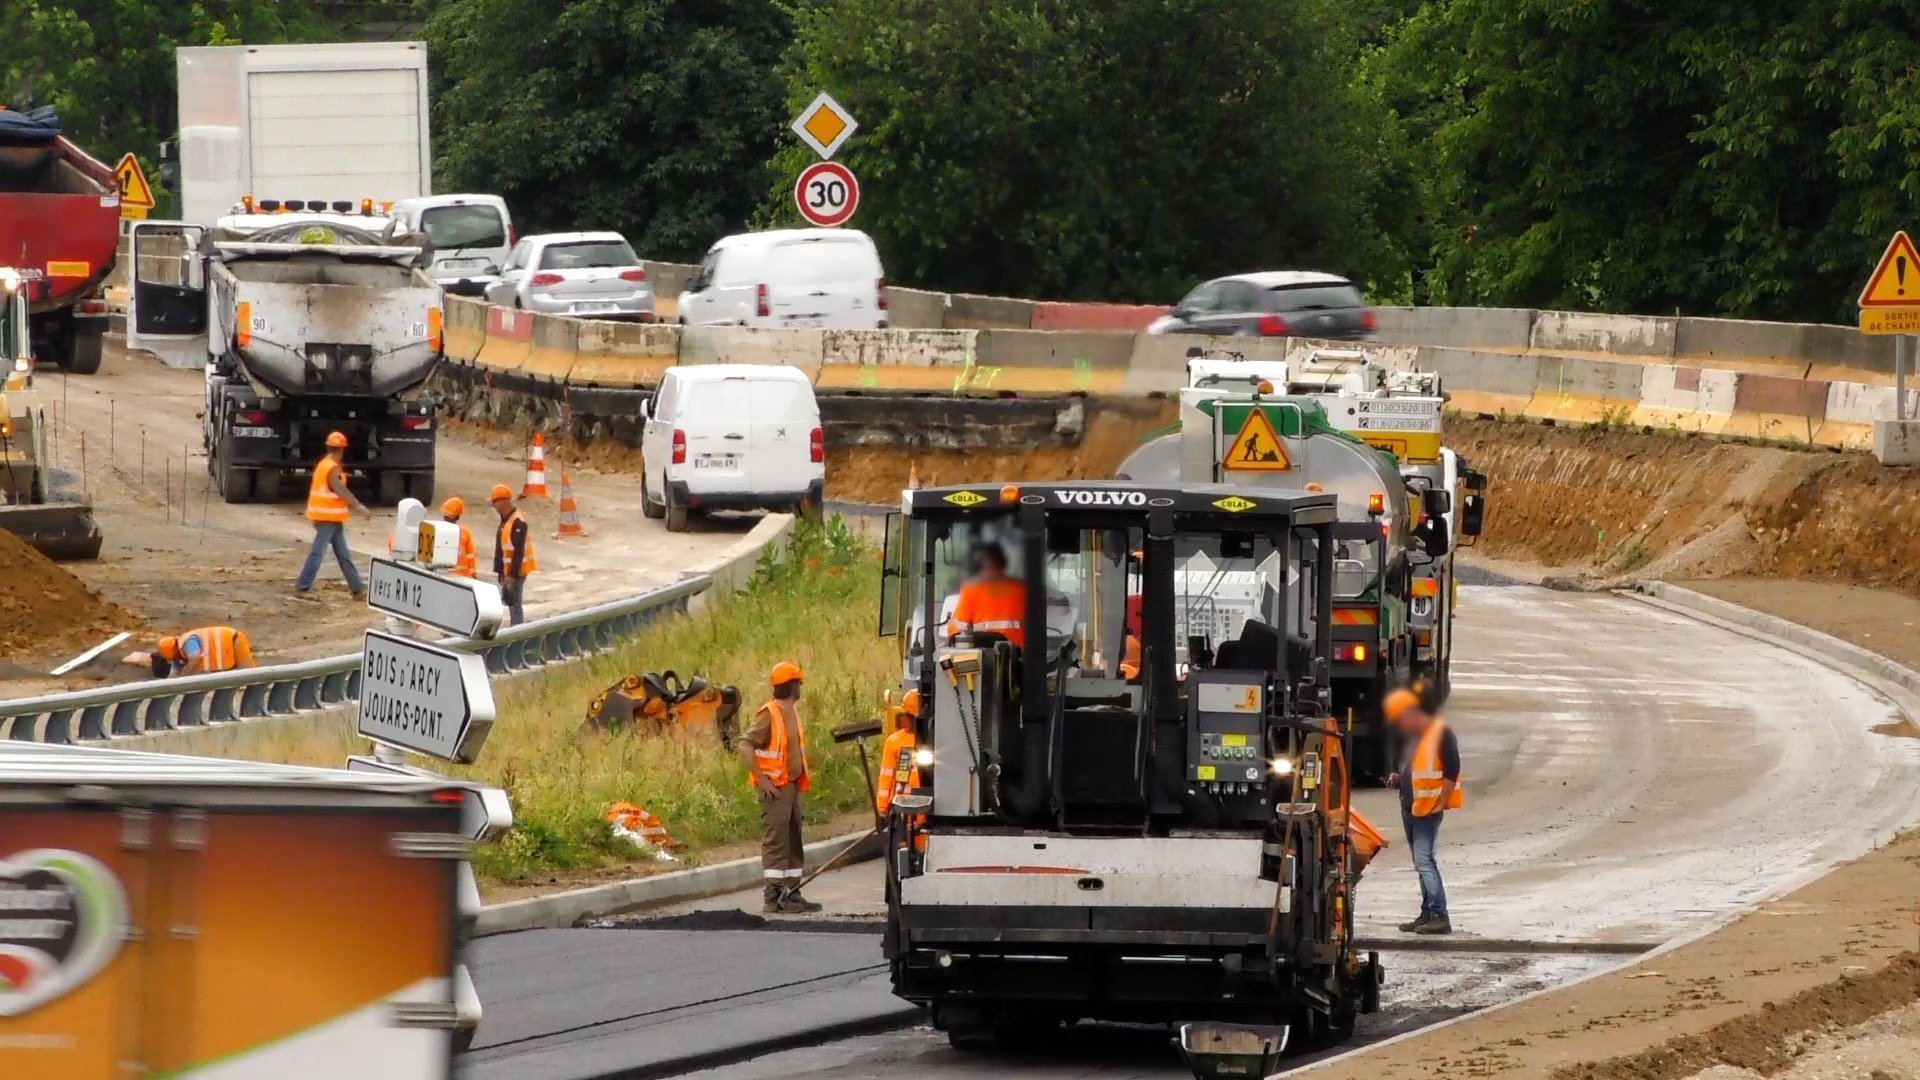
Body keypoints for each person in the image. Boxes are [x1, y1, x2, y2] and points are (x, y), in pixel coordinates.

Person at [739, 661, 822, 914]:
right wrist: (762, 780)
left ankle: (792, 893)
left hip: (792, 787)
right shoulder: (769, 714)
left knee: (793, 841)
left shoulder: (792, 711)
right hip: (776, 789)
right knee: (777, 843)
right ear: (791, 686)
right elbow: (745, 745)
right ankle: (773, 897)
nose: (801, 687)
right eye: (799, 683)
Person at [1383, 687, 1463, 935]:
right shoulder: (1415, 737)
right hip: (1411, 806)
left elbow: (1452, 769)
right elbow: (1417, 771)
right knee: (1421, 863)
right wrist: (1399, 779)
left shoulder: (1441, 732)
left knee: (1424, 862)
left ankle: (1439, 915)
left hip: (1427, 810)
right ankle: (1427, 912)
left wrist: (1440, 803)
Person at [296, 430, 371, 599]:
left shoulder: (324, 464)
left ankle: (357, 586)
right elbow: (341, 490)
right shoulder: (332, 468)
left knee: (343, 555)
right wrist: (359, 507)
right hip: (328, 518)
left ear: (328, 447)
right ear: (343, 449)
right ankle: (303, 585)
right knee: (318, 553)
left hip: (331, 518)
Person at [943, 541, 1027, 647]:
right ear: (1003, 563)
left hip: (984, 653)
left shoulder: (971, 589)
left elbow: (957, 630)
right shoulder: (1021, 588)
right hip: (1021, 653)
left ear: (981, 564)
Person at [490, 484, 536, 625]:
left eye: (495, 502)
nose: (494, 506)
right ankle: (516, 628)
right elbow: (500, 549)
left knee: (515, 604)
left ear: (503, 502)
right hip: (509, 572)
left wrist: (512, 575)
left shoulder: (518, 522)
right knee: (511, 602)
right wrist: (500, 572)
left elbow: (518, 552)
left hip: (517, 572)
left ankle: (518, 630)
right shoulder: (506, 522)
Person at [151, 626, 256, 678]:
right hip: (226, 653)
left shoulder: (189, 641)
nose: (176, 659)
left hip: (234, 641)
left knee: (248, 674)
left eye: (174, 657)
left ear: (174, 649)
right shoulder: (180, 656)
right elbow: (174, 675)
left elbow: (195, 657)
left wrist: (187, 672)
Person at [442, 496, 478, 578]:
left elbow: (470, 555)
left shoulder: (465, 532)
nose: (446, 518)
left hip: (461, 575)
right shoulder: (464, 532)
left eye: (448, 516)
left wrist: (473, 573)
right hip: (450, 575)